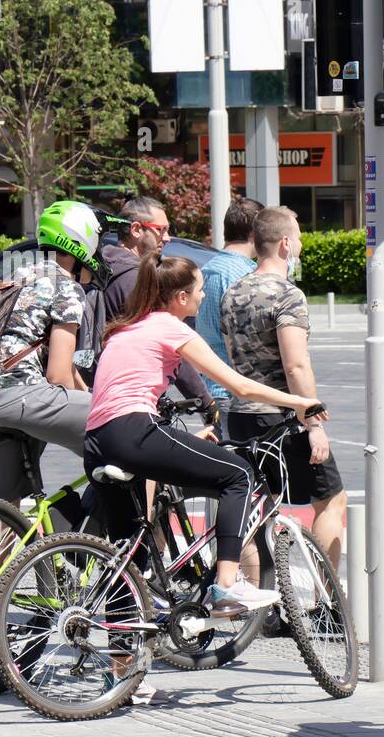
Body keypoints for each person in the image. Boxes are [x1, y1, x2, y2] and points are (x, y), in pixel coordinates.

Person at [84, 253, 325, 616]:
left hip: (98, 440)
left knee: (127, 552)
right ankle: (226, 586)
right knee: (240, 475)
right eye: (199, 291)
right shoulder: (172, 327)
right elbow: (239, 386)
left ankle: (122, 668)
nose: (202, 298)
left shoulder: (127, 328)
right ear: (180, 297)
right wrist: (301, 402)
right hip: (133, 431)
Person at [222, 206, 347, 570]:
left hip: (242, 415)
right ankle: (326, 604)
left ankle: (260, 603)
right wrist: (313, 422)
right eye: (299, 237)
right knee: (331, 500)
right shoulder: (287, 295)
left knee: (258, 507)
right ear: (285, 244)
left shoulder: (233, 292)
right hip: (281, 419)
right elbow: (295, 365)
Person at [0, 201, 100, 506]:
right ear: (82, 243)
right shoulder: (66, 287)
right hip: (20, 398)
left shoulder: (18, 276)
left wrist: (86, 394)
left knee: (1, 518)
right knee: (123, 429)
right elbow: (59, 374)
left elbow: (63, 370)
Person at [100, 196, 216, 424]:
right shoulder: (135, 280)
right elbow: (169, 342)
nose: (167, 237)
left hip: (106, 396)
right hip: (132, 404)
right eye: (160, 230)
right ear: (136, 229)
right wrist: (205, 402)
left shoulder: (108, 268)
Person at [196, 196, 262, 435]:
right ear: (255, 233)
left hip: (211, 386)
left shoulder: (206, 269)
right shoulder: (247, 275)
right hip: (239, 390)